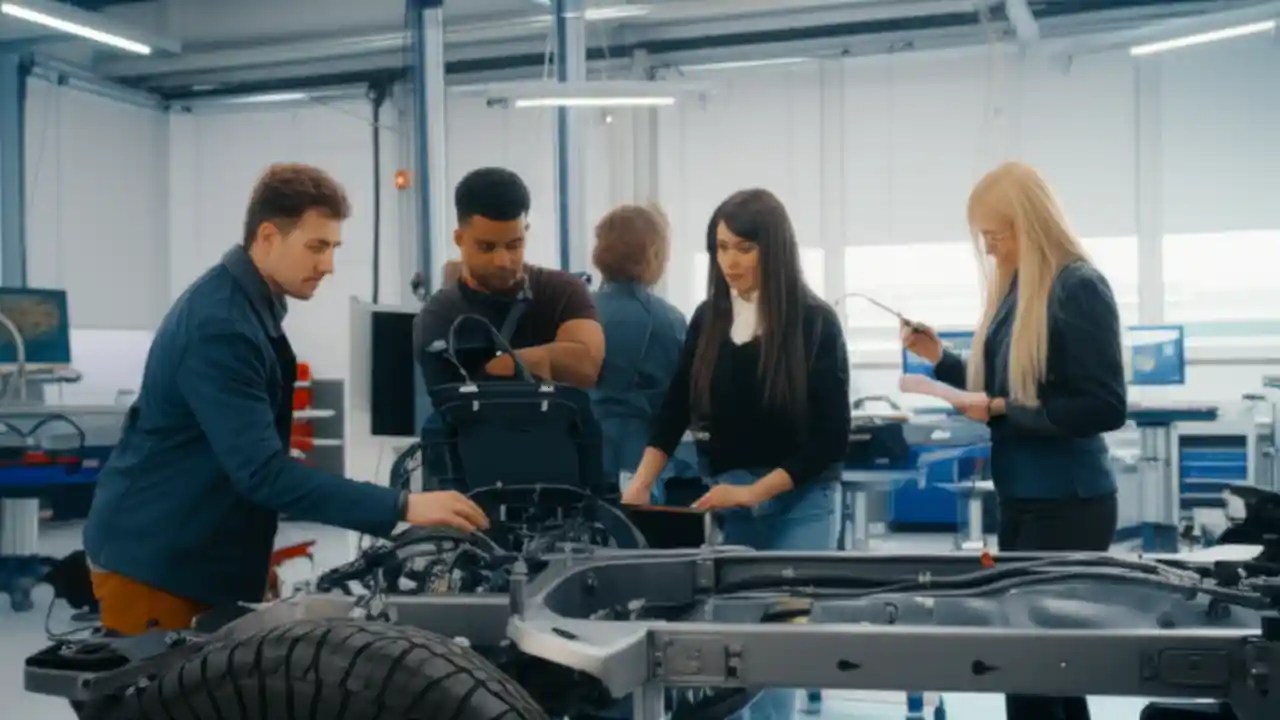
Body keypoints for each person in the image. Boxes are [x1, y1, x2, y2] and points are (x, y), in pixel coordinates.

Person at [83, 163, 489, 636]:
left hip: (196, 550)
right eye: (316, 247)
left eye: (334, 248)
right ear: (269, 237)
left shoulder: (249, 304)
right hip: (156, 563)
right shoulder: (221, 326)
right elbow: (262, 474)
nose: (328, 265)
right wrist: (403, 506)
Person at [902, 161, 1126, 720]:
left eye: (996, 237)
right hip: (1025, 499)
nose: (991, 249)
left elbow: (1103, 405)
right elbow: (998, 386)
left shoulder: (1078, 287)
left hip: (1069, 505)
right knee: (1032, 672)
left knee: (1042, 671)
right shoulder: (1016, 291)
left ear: (1029, 224)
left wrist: (1006, 411)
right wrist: (940, 360)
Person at [621, 188, 850, 720]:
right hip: (729, 507)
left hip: (800, 506)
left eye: (744, 248)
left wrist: (754, 491)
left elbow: (830, 439)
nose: (730, 261)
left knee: (779, 656)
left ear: (775, 250)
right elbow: (674, 406)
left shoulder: (815, 323)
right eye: (721, 247)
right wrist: (640, 482)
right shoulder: (708, 319)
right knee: (731, 658)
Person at [413, 167, 604, 390]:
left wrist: (507, 365)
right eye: (486, 247)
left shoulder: (563, 292)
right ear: (459, 238)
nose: (502, 261)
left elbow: (587, 365)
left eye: (515, 245)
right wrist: (545, 360)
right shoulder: (439, 314)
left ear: (526, 231)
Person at [588, 205, 689, 503]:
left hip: (581, 451)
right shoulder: (668, 321)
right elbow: (687, 394)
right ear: (654, 253)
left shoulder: (576, 313)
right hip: (639, 453)